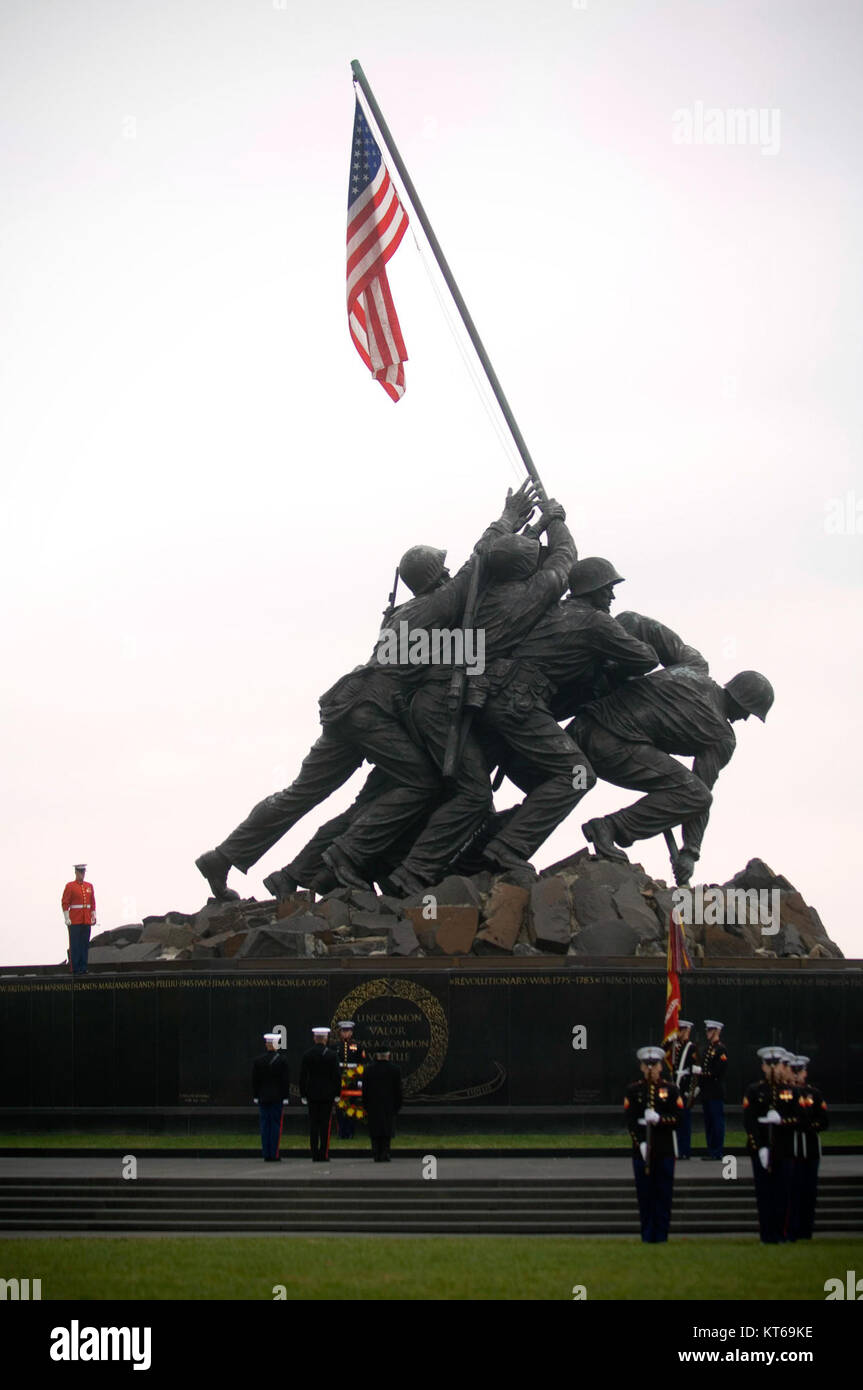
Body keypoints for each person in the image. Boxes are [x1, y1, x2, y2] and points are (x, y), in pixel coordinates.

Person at [195, 484, 538, 901]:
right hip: (373, 710)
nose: (451, 575)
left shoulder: (401, 613)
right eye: (444, 571)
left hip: (349, 703)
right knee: (422, 782)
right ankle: (344, 855)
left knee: (299, 794)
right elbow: (478, 563)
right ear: (438, 576)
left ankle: (223, 856)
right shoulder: (436, 605)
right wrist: (507, 518)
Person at [576, 663, 774, 886]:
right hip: (610, 747)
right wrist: (690, 852)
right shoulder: (722, 737)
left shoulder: (690, 671)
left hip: (580, 728)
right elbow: (699, 793)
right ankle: (609, 827)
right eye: (749, 711)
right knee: (695, 795)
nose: (746, 718)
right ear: (742, 701)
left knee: (566, 783)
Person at [624, 1045, 683, 1242]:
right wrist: (639, 1143)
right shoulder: (633, 1091)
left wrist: (660, 1119)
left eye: (654, 1064)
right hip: (642, 1151)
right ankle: (647, 1235)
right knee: (645, 1195)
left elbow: (678, 1118)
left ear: (661, 1067)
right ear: (641, 1067)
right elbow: (631, 1122)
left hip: (664, 1149)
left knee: (663, 1194)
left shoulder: (671, 1090)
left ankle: (661, 1235)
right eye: (646, 1064)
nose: (651, 1068)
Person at [743, 1046, 801, 1243]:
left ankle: (780, 1233)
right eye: (769, 1065)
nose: (773, 1068)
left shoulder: (791, 1092)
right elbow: (749, 1122)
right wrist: (759, 1147)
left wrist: (782, 1121)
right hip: (762, 1150)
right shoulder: (754, 1091)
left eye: (776, 1064)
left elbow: (800, 1119)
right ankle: (766, 1234)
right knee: (764, 1194)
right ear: (763, 1067)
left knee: (782, 1193)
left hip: (783, 1149)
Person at [788, 1054, 828, 1240]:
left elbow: (823, 1121)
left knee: (809, 1192)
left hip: (810, 1149)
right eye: (794, 1071)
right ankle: (793, 1228)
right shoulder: (786, 1093)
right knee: (793, 1191)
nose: (797, 1075)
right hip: (793, 1149)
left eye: (800, 1071)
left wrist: (809, 1126)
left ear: (805, 1072)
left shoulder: (814, 1094)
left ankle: (807, 1230)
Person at [299, 1026, 342, 1162]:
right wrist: (337, 1093)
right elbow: (336, 1076)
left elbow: (303, 1077)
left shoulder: (307, 1054)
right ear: (326, 1039)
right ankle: (323, 1153)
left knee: (313, 1125)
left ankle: (314, 1152)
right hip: (327, 1095)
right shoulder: (332, 1055)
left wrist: (303, 1094)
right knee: (325, 1125)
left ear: (314, 1038)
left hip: (312, 1094)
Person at [251, 1032, 290, 1162]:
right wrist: (285, 1097)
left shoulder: (258, 1061)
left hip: (263, 1097)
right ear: (276, 1045)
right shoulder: (282, 1060)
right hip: (277, 1098)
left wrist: (256, 1096)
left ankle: (266, 1152)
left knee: (264, 1125)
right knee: (275, 1126)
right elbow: (285, 1081)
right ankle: (274, 1153)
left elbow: (255, 1081)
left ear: (266, 1045)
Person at [362, 1045, 403, 1162]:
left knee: (375, 1129)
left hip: (373, 1104)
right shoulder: (395, 1069)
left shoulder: (369, 1069)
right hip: (389, 1104)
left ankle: (376, 1153)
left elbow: (365, 1090)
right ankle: (385, 1152)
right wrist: (397, 1105)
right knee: (387, 1129)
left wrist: (365, 1105)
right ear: (388, 1055)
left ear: (377, 1056)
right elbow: (398, 1090)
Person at [665, 1020, 698, 1158]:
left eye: (681, 1030)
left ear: (687, 1031)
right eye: (678, 1030)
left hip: (684, 1089)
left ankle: (685, 1151)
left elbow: (695, 1070)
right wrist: (669, 1041)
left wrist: (691, 1091)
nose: (678, 1033)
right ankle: (676, 1149)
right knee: (675, 1121)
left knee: (684, 1122)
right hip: (675, 1088)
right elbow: (663, 1052)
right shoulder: (674, 1047)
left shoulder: (691, 1048)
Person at [698, 1019, 728, 1160]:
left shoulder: (721, 1049)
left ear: (716, 1031)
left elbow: (718, 1071)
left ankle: (717, 1151)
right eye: (707, 1030)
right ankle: (711, 1150)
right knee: (709, 1122)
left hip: (715, 1091)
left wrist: (702, 1073)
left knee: (717, 1122)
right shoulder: (707, 1048)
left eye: (710, 1030)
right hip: (706, 1091)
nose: (707, 1033)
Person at [61, 863, 97, 976]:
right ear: (76, 872)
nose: (82, 874)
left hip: (86, 919)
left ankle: (83, 967)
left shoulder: (89, 886)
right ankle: (75, 968)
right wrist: (67, 917)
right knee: (75, 945)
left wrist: (93, 915)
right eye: (80, 872)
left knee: (84, 944)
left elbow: (92, 902)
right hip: (75, 920)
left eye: (83, 872)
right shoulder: (70, 886)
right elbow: (65, 902)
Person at [334, 1021, 365, 1139]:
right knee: (340, 1108)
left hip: (352, 1082)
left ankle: (350, 1131)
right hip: (340, 1081)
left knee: (351, 1107)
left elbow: (361, 1065)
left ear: (351, 1032)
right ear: (340, 1032)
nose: (346, 1033)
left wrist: (360, 1080)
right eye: (343, 1031)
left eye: (348, 1031)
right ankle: (341, 1131)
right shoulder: (335, 1047)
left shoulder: (358, 1047)